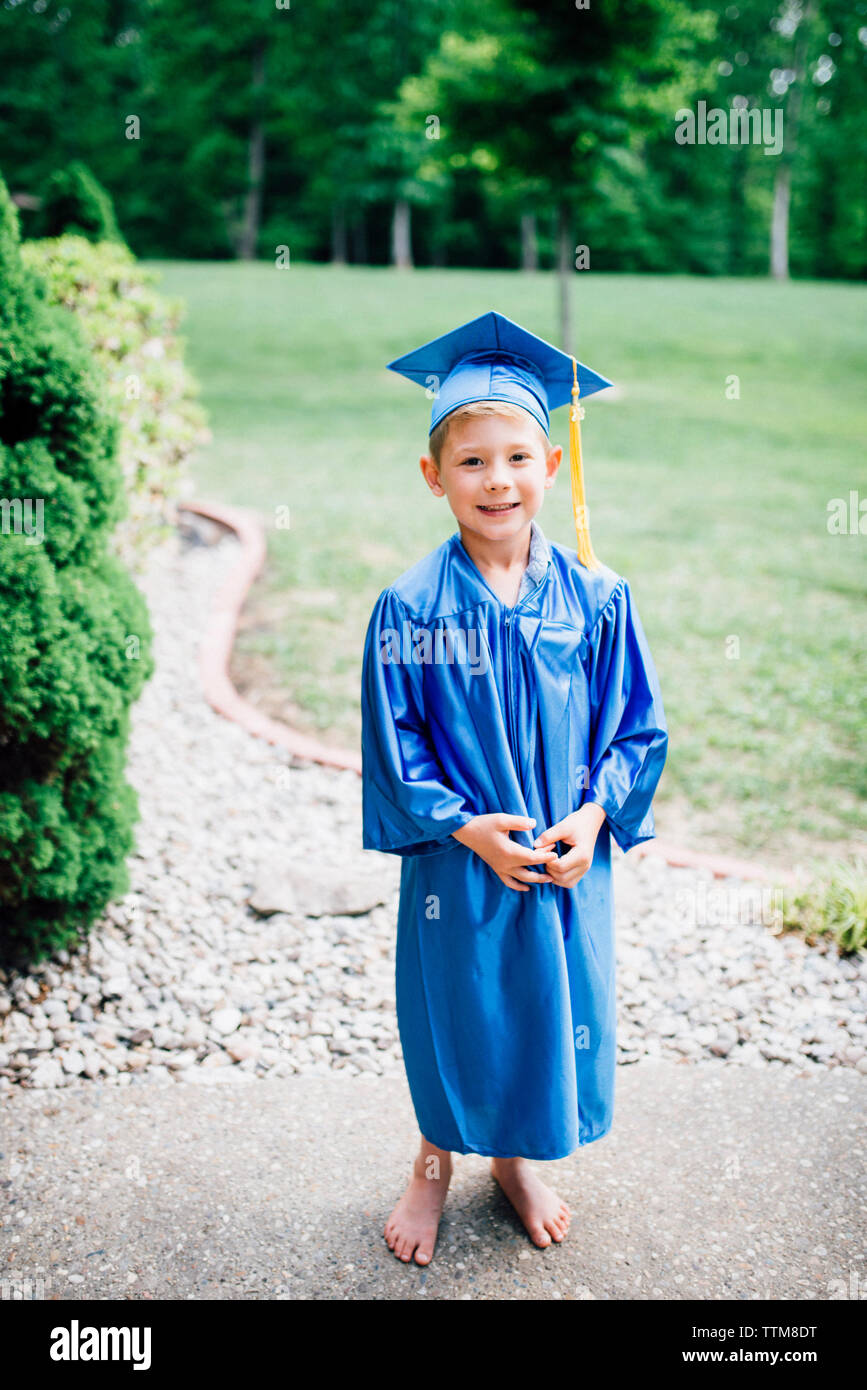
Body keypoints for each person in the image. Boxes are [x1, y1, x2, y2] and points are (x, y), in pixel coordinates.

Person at [360, 310, 668, 1265]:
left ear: (551, 465)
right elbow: (392, 747)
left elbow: (637, 729)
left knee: (549, 1002)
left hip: (565, 851)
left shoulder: (599, 598)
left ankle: (516, 1157)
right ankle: (431, 1161)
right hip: (463, 861)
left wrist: (593, 815)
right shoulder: (410, 609)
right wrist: (465, 830)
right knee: (458, 1004)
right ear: (432, 476)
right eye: (471, 462)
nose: (497, 480)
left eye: (517, 457)